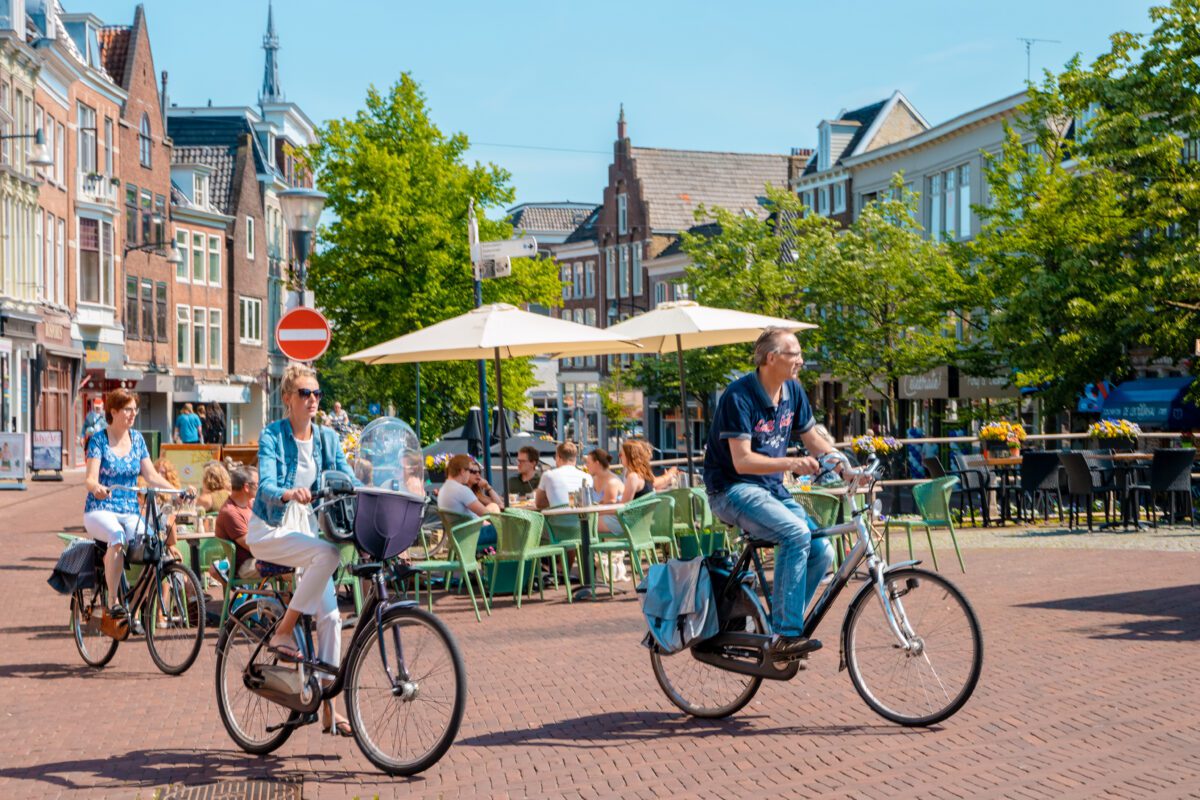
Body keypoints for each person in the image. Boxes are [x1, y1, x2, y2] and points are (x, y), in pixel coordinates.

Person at [703, 327, 844, 659]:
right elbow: (742, 460)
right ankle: (785, 633)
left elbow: (813, 438)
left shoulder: (793, 391)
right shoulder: (739, 396)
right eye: (794, 354)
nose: (801, 360)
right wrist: (791, 463)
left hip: (771, 490)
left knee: (822, 551)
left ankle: (780, 621)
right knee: (796, 535)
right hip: (731, 489)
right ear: (771, 358)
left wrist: (843, 466)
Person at [246, 363, 355, 737]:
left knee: (331, 619)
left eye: (317, 393)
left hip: (308, 533)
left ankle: (329, 707)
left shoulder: (326, 438)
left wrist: (372, 488)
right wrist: (288, 492)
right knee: (329, 555)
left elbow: (347, 477)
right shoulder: (272, 436)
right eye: (305, 393)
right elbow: (266, 486)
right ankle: (284, 630)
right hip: (272, 529)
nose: (313, 400)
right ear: (288, 399)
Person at [83, 388, 187, 620]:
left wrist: (176, 491)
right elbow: (90, 478)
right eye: (127, 409)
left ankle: (135, 601)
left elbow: (151, 475)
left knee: (154, 547)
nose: (133, 414)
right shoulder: (99, 440)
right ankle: (113, 601)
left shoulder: (137, 439)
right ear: (114, 411)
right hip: (101, 508)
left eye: (134, 410)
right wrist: (96, 487)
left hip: (130, 510)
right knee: (117, 535)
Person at [209, 467, 260, 585]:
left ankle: (286, 599)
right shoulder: (231, 513)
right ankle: (287, 601)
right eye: (258, 484)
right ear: (246, 487)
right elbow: (252, 545)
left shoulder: (248, 505)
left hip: (258, 558)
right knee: (291, 565)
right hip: (247, 566)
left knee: (298, 562)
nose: (260, 487)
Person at [436, 455, 498, 546]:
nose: (469, 475)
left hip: (457, 537)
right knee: (510, 531)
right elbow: (487, 514)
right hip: (472, 536)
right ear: (462, 471)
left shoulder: (443, 490)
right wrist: (503, 524)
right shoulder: (462, 490)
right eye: (470, 471)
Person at [535, 441, 592, 510]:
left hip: (557, 519)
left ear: (558, 457)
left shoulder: (548, 475)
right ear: (575, 459)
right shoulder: (587, 477)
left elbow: (539, 504)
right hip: (581, 519)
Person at [584, 448, 624, 535]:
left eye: (588, 463)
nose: (585, 466)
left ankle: (584, 548)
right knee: (582, 522)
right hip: (602, 516)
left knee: (583, 524)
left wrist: (589, 510)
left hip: (617, 519)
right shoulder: (593, 480)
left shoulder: (612, 482)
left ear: (597, 463)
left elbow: (609, 509)